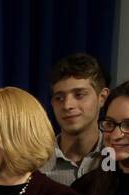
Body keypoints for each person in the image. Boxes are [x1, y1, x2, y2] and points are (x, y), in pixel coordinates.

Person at [42, 53, 110, 186]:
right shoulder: (36, 164)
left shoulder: (118, 157)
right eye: (59, 98)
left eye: (79, 95)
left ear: (102, 97)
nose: (67, 105)